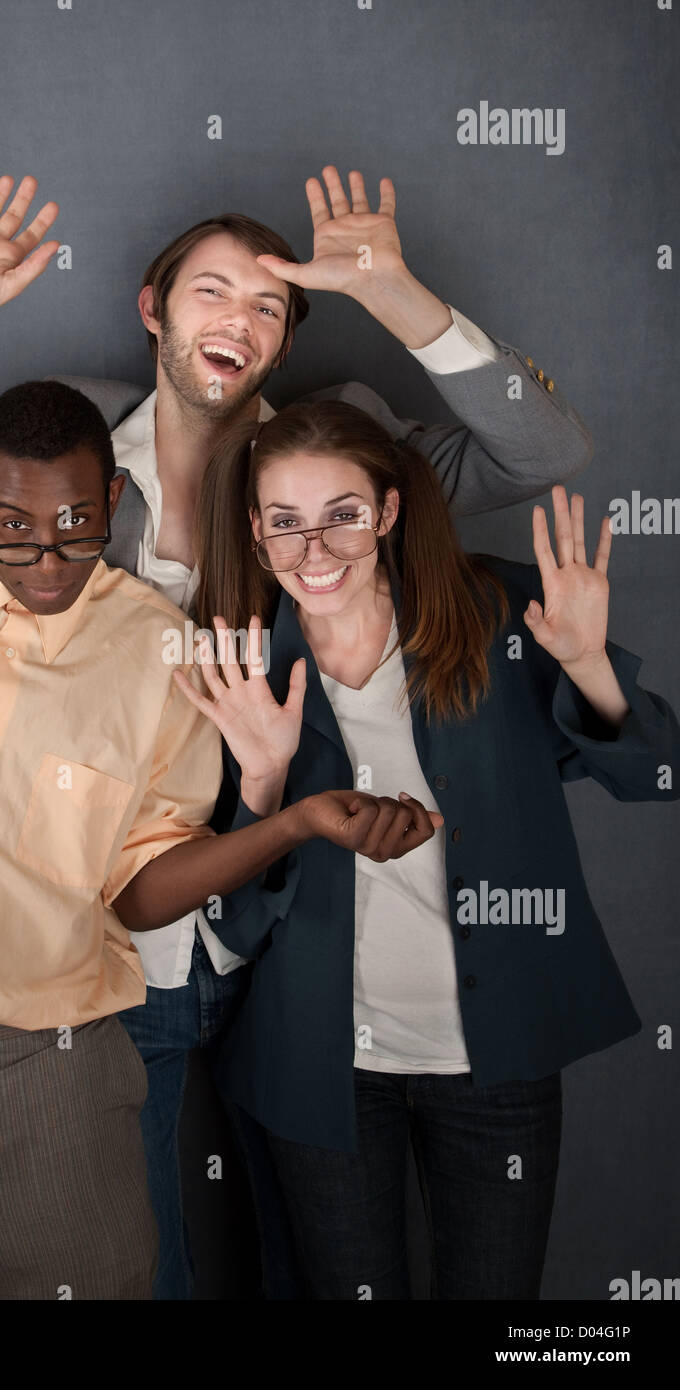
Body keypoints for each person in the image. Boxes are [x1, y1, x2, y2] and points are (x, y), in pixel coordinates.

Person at [0, 167, 592, 1299]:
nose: (237, 322)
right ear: (155, 310)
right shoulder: (65, 448)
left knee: (296, 1259)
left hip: (290, 928)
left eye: (267, 306)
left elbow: (539, 454)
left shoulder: (323, 454)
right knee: (133, 1260)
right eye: (211, 292)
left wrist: (399, 296)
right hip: (107, 944)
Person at [0, 380, 442, 1300]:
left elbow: (141, 886)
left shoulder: (158, 648)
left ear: (114, 501)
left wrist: (295, 821)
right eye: (15, 529)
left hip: (61, 1079)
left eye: (78, 525)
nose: (47, 559)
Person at [178, 399, 680, 1300]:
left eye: (344, 516)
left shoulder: (492, 613)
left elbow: (656, 776)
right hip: (318, 1069)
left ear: (391, 510)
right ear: (254, 534)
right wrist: (261, 782)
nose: (315, 553)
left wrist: (589, 663)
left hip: (497, 1063)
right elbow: (227, 929)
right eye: (285, 526)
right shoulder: (236, 665)